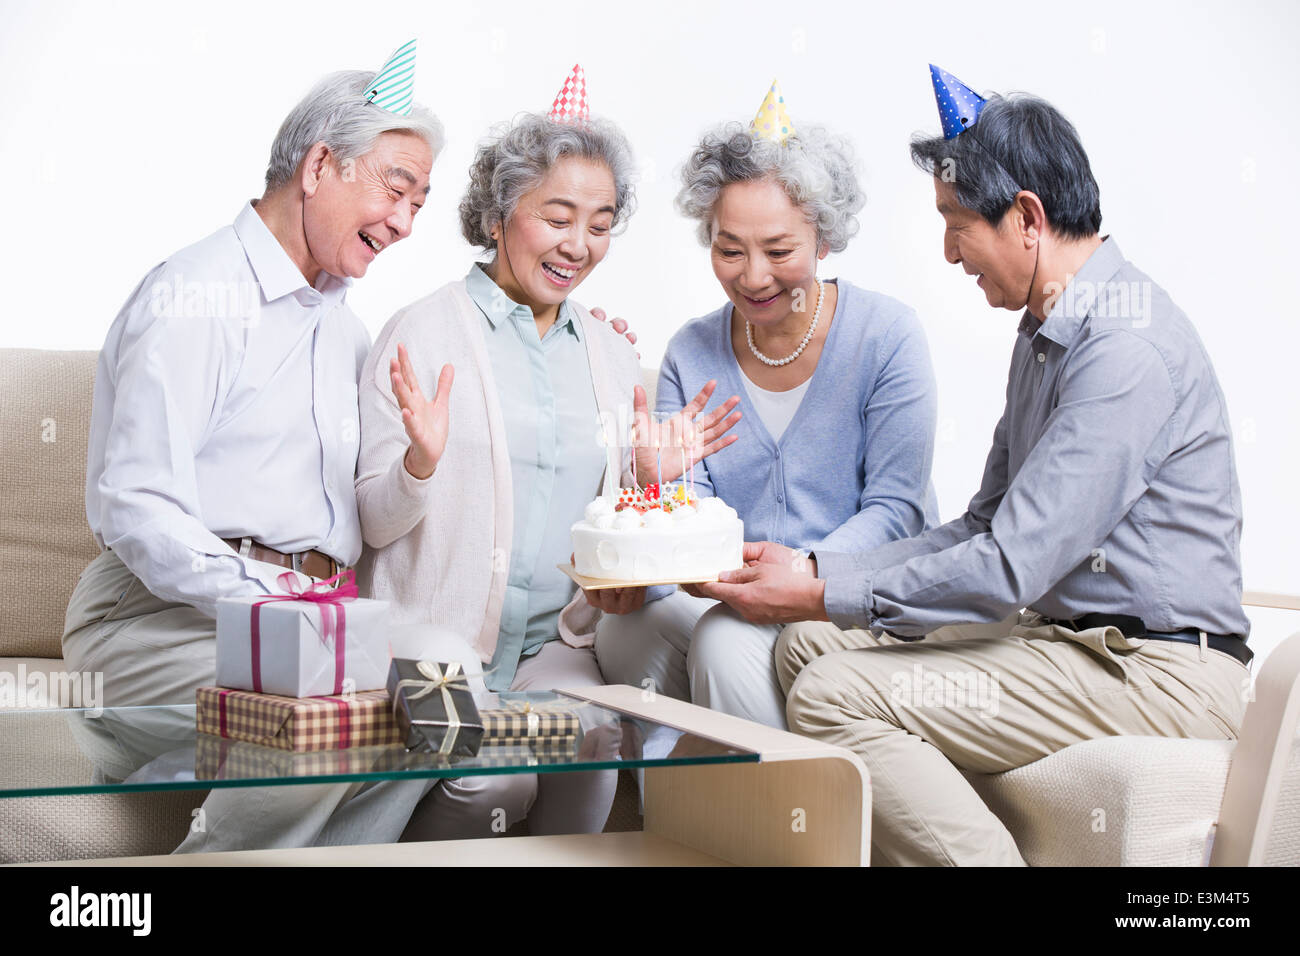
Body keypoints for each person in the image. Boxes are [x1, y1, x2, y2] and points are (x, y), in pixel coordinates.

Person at [696, 66, 1254, 866]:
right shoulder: (1046, 334)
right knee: (806, 648)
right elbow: (982, 525)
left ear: (1027, 217)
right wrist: (818, 566)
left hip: (1155, 673)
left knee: (831, 692)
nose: (950, 253)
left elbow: (1008, 566)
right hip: (1070, 645)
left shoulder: (1122, 350)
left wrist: (822, 590)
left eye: (957, 224)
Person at [62, 52, 454, 852]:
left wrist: (417, 465)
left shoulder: (345, 334)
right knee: (330, 706)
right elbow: (136, 509)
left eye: (420, 201)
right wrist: (278, 602)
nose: (408, 222)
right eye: (396, 187)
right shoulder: (194, 297)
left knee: (441, 704)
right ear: (319, 167)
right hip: (151, 625)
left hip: (299, 629)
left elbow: (365, 523)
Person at [354, 67, 738, 839]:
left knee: (596, 744)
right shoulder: (420, 333)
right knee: (489, 777)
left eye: (599, 224)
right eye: (557, 216)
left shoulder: (610, 353)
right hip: (424, 636)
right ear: (499, 216)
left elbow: (612, 532)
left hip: (551, 646)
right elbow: (371, 519)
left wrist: (653, 487)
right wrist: (418, 466)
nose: (578, 245)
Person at [593, 81, 939, 731]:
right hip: (731, 590)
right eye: (730, 250)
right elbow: (688, 522)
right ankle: (682, 812)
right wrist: (661, 498)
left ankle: (788, 818)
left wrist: (805, 577)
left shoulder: (886, 335)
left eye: (779, 251)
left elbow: (899, 511)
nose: (752, 276)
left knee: (724, 642)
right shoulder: (692, 352)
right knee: (624, 637)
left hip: (852, 592)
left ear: (825, 238)